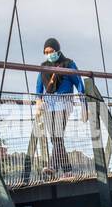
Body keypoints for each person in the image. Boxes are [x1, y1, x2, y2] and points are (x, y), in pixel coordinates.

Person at [33, 37, 86, 176]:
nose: (49, 54)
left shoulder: (68, 64)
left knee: (57, 134)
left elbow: (79, 83)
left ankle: (53, 166)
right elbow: (39, 86)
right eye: (46, 52)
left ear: (57, 50)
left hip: (64, 102)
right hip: (49, 105)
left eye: (51, 51)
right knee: (55, 138)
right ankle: (67, 169)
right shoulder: (44, 67)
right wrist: (38, 101)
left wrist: (83, 104)